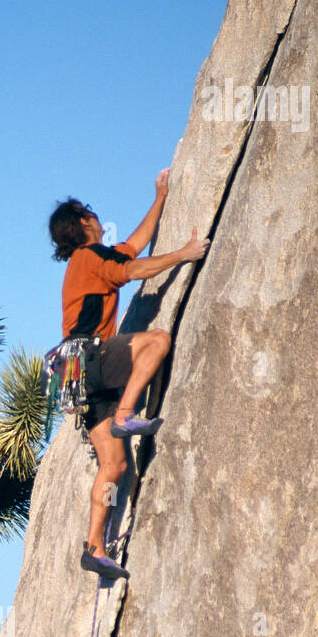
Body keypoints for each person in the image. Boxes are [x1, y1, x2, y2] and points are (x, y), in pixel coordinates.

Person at [47, 173, 209, 580]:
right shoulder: (90, 257)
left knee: (115, 466)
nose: (100, 220)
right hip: (90, 358)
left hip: (76, 380)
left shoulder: (91, 261)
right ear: (83, 222)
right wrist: (184, 254)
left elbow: (134, 245)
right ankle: (124, 413)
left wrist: (160, 197)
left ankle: (95, 546)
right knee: (157, 341)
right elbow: (134, 269)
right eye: (93, 215)